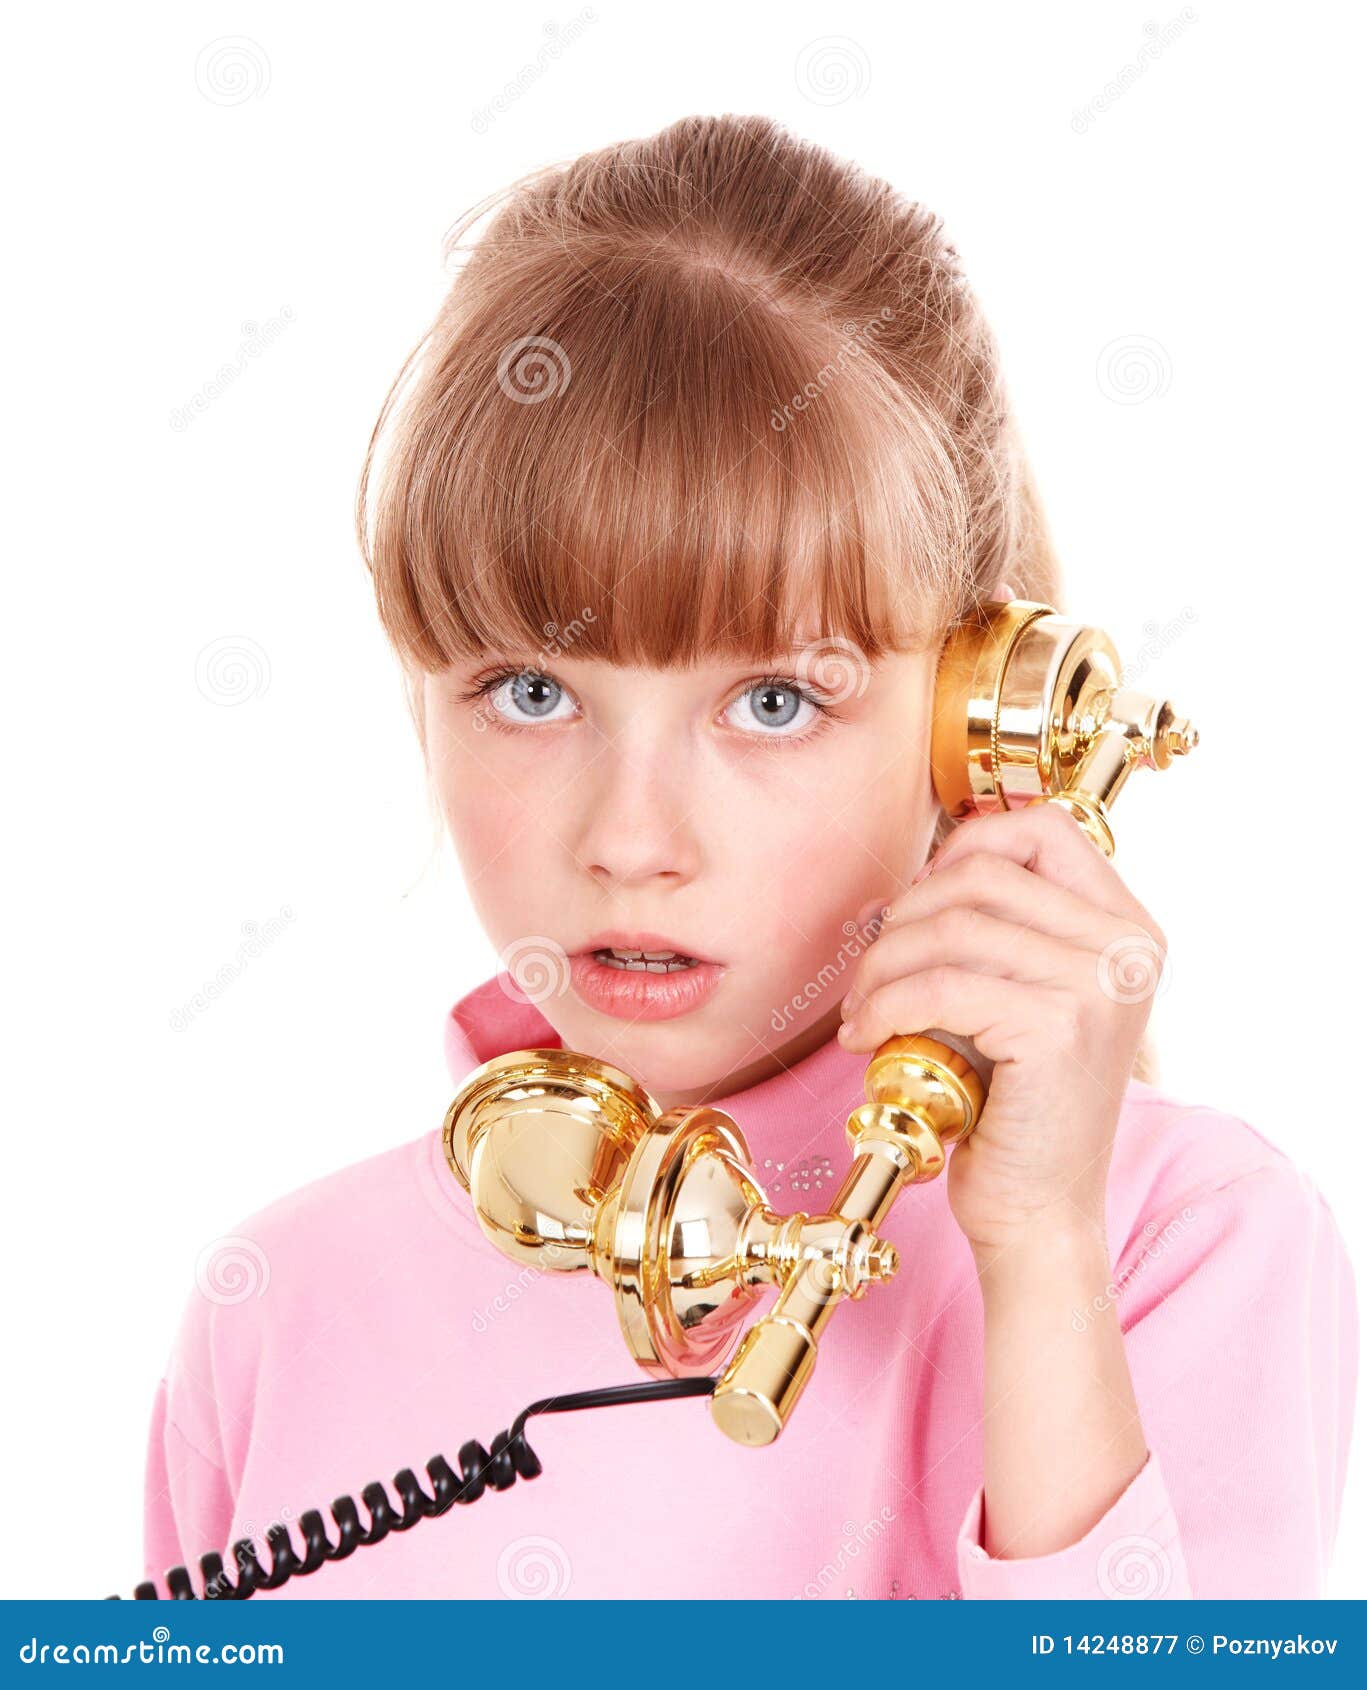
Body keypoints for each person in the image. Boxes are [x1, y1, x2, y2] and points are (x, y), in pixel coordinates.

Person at [142, 113, 1356, 1600]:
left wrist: (1042, 1255)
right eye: (531, 692)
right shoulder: (278, 1307)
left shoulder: (1182, 1238)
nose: (631, 842)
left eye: (773, 702)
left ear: (975, 719)